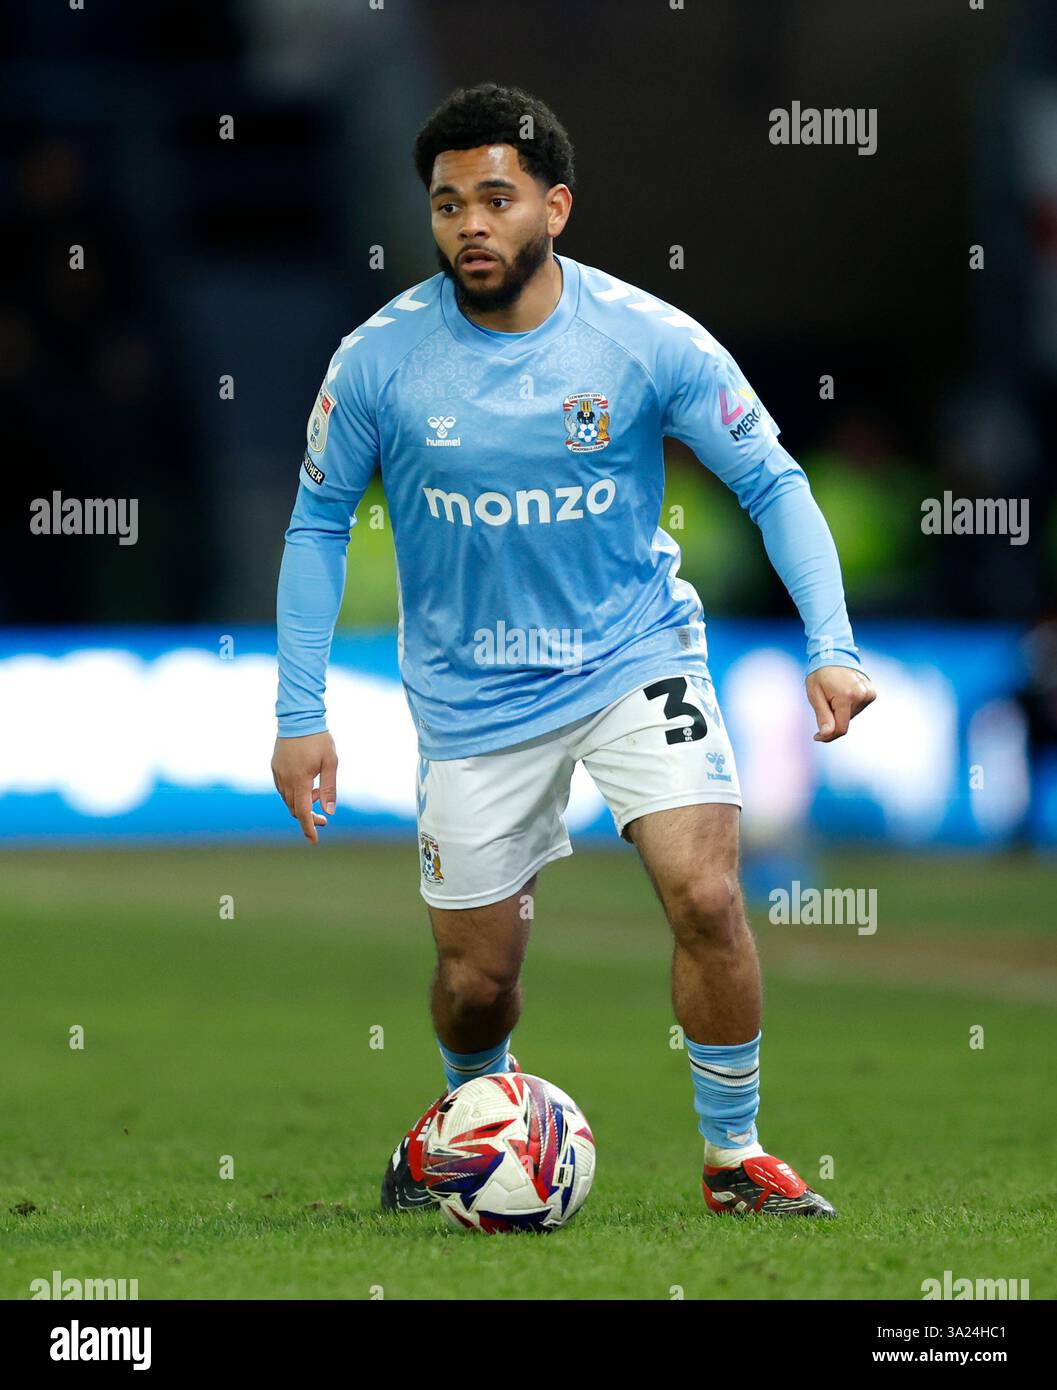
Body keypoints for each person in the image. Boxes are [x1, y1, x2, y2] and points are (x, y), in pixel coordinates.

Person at [272, 83, 876, 1220]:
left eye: (495, 198)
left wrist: (829, 644)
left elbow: (772, 479)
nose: (469, 225)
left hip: (632, 657)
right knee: (474, 982)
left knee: (706, 892)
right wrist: (300, 713)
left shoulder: (644, 339)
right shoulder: (378, 360)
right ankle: (469, 1122)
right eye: (447, 204)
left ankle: (732, 1154)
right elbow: (313, 526)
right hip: (471, 699)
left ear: (555, 205)